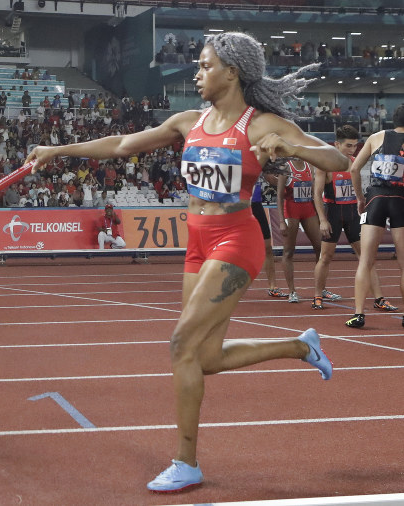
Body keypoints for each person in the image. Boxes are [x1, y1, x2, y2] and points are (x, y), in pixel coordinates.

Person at [25, 31, 347, 492]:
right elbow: (121, 144)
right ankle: (300, 347)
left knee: (181, 345)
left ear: (231, 72)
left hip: (236, 239)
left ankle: (186, 461)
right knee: (207, 357)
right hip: (196, 241)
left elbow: (335, 159)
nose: (196, 74)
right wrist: (58, 151)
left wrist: (292, 148)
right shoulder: (187, 122)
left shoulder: (260, 124)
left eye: (204, 65)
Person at [312, 125, 397, 312]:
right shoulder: (325, 164)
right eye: (348, 146)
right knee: (326, 257)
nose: (352, 150)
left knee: (366, 258)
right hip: (333, 212)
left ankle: (379, 298)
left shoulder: (355, 163)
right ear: (337, 144)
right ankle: (318, 295)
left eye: (355, 146)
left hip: (352, 213)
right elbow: (317, 194)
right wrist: (322, 220)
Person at [347, 104, 404, 328]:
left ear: (392, 119)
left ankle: (358, 314)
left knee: (366, 260)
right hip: (401, 200)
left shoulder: (376, 137)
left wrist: (360, 198)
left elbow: (354, 170)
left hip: (376, 200)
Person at [275, 158, 332, 303]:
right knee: (288, 251)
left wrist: (320, 217)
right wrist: (281, 221)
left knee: (320, 247)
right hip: (292, 210)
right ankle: (292, 291)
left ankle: (321, 289)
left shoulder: (309, 166)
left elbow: (314, 193)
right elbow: (279, 195)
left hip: (308, 209)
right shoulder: (286, 167)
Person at [249, 176, 285, 298]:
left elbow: (272, 179)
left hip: (255, 205)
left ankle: (273, 286)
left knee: (267, 247)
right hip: (237, 207)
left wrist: (288, 182)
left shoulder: (260, 160)